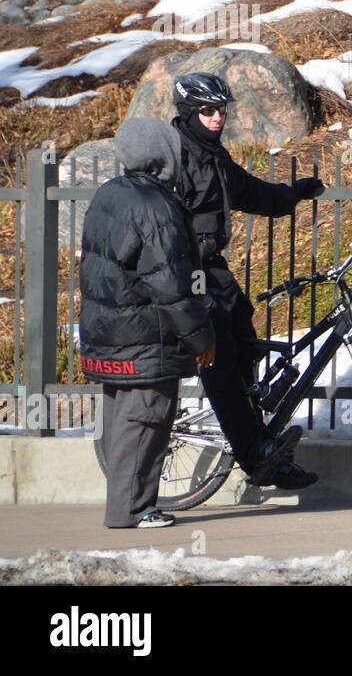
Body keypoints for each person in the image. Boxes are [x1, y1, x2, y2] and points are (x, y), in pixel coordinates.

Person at [171, 72, 326, 490]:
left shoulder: (213, 156)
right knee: (219, 357)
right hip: (185, 271)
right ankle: (251, 451)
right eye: (207, 110)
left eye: (222, 110)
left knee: (245, 339)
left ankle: (261, 446)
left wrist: (293, 193)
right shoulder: (174, 158)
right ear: (188, 112)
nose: (217, 117)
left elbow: (253, 193)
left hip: (212, 269)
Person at [80, 118, 216, 528]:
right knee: (146, 422)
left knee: (123, 423)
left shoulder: (110, 194)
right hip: (147, 335)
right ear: (164, 156)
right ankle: (133, 510)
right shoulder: (157, 206)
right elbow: (172, 284)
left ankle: (129, 506)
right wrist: (200, 337)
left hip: (111, 332)